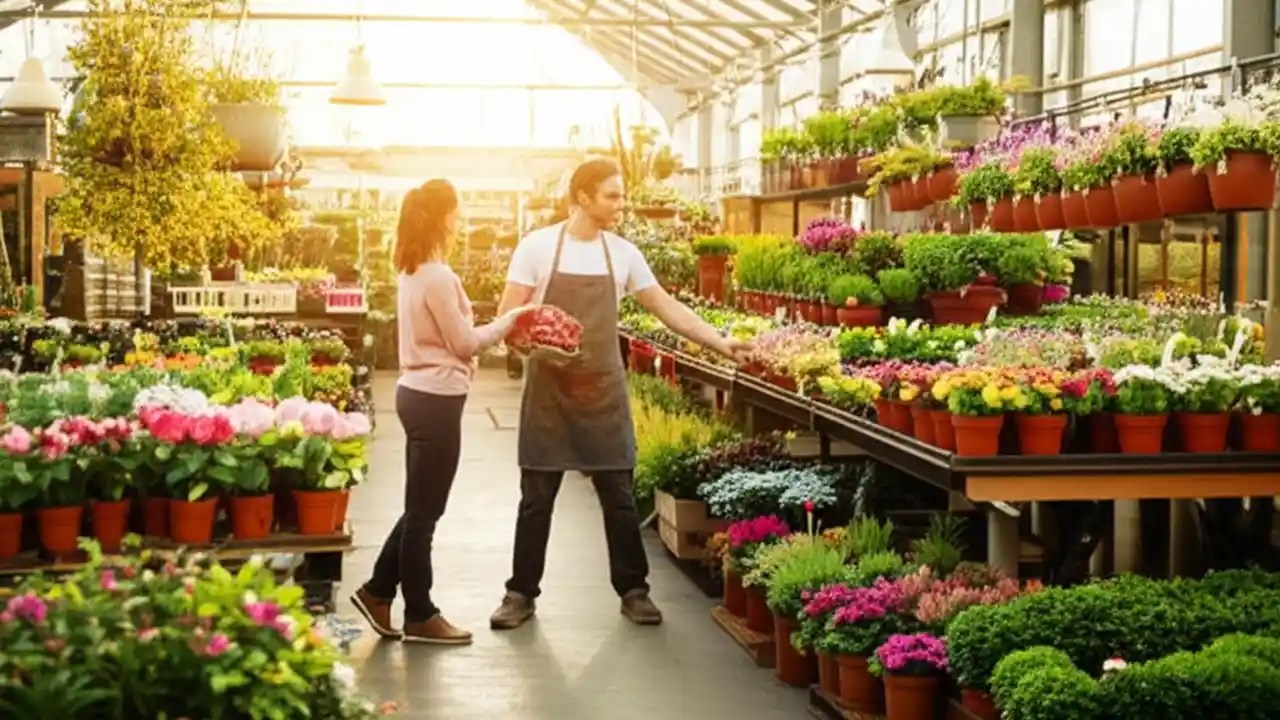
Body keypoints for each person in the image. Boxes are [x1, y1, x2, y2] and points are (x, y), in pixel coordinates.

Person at [488, 158, 753, 629]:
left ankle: (634, 590)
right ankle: (520, 593)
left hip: (603, 388)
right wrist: (527, 341)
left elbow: (665, 306)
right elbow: (509, 315)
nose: (621, 204)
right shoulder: (537, 247)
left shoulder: (623, 254)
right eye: (612, 195)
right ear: (583, 197)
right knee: (537, 497)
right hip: (550, 389)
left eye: (622, 195)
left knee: (619, 496)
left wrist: (719, 341)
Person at [350, 179, 536, 645]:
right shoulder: (437, 276)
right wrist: (511, 321)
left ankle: (376, 591)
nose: (462, 217)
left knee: (420, 507)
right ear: (440, 216)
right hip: (436, 401)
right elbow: (465, 342)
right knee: (425, 515)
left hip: (417, 394)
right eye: (457, 209)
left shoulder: (413, 272)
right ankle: (420, 613)